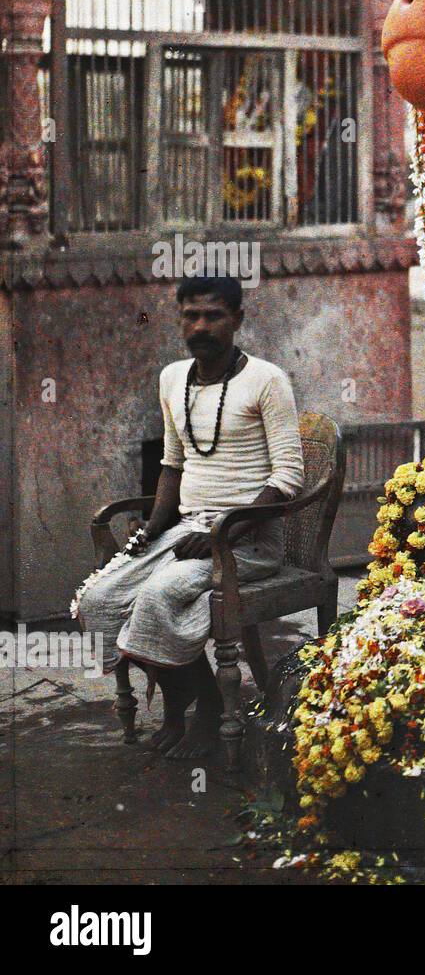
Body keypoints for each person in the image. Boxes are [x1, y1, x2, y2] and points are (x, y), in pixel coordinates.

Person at [78, 276, 304, 759]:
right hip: (186, 531)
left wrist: (224, 531)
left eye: (214, 315)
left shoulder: (267, 380)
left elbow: (288, 478)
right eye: (191, 315)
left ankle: (199, 711)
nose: (200, 326)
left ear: (238, 320)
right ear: (180, 318)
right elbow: (172, 464)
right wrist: (153, 529)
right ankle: (190, 695)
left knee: (161, 592)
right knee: (101, 597)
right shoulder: (172, 378)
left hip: (249, 541)